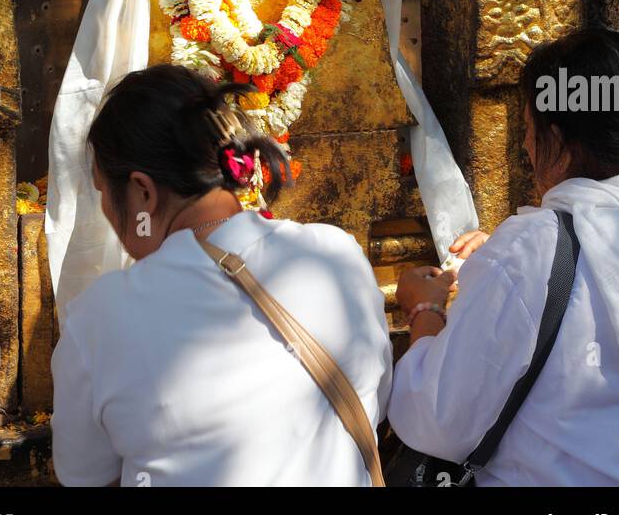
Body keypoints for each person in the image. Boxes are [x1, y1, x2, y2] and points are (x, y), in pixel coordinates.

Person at [389, 28, 619, 487]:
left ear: (557, 139)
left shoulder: (531, 247)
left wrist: (424, 310)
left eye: (528, 131)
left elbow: (436, 419)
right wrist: (506, 262)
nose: (526, 149)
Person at [51, 63, 392, 486]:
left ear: (142, 192)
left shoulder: (99, 318)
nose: (108, 213)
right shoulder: (336, 255)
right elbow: (373, 395)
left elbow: (85, 476)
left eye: (104, 193)